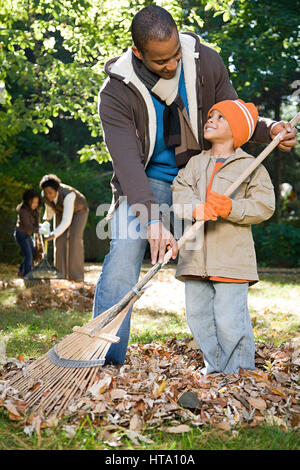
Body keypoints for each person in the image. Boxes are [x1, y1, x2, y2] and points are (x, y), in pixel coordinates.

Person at [93, 5, 297, 366]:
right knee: (123, 258)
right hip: (146, 182)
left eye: (175, 56)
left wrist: (270, 129)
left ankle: (230, 364)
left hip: (203, 176)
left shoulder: (204, 61)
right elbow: (127, 165)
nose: (172, 66)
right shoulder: (115, 93)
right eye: (161, 62)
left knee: (212, 269)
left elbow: (233, 112)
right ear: (138, 54)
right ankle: (106, 360)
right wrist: (153, 222)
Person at [171, 99, 276, 374]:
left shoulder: (251, 166)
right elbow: (179, 192)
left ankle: (239, 372)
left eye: (221, 117)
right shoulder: (195, 164)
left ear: (238, 131)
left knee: (230, 320)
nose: (211, 119)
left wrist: (232, 208)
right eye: (210, 115)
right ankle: (216, 368)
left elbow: (264, 206)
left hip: (232, 259)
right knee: (199, 317)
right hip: (195, 258)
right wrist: (196, 207)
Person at [39, 174, 89, 282]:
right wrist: (45, 227)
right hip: (60, 211)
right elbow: (49, 213)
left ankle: (76, 277)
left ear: (57, 190)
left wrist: (52, 234)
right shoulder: (45, 195)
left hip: (79, 211)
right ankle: (59, 275)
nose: (48, 195)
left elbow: (67, 221)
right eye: (46, 193)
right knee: (59, 240)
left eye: (50, 193)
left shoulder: (68, 195)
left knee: (74, 239)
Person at [15, 189, 41, 277]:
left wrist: (41, 227)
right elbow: (28, 226)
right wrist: (38, 230)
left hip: (27, 234)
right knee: (29, 255)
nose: (35, 205)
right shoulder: (23, 211)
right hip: (21, 234)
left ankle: (21, 271)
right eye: (33, 202)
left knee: (32, 253)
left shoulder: (34, 211)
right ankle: (28, 275)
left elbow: (36, 224)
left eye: (37, 203)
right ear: (28, 201)